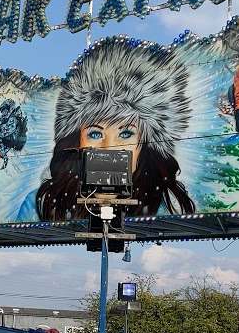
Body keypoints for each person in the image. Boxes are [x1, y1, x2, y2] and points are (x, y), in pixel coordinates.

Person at [36, 41, 197, 221]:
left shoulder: (169, 206)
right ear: (77, 141)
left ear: (145, 144)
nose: (109, 147)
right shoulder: (44, 202)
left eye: (125, 134)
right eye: (95, 134)